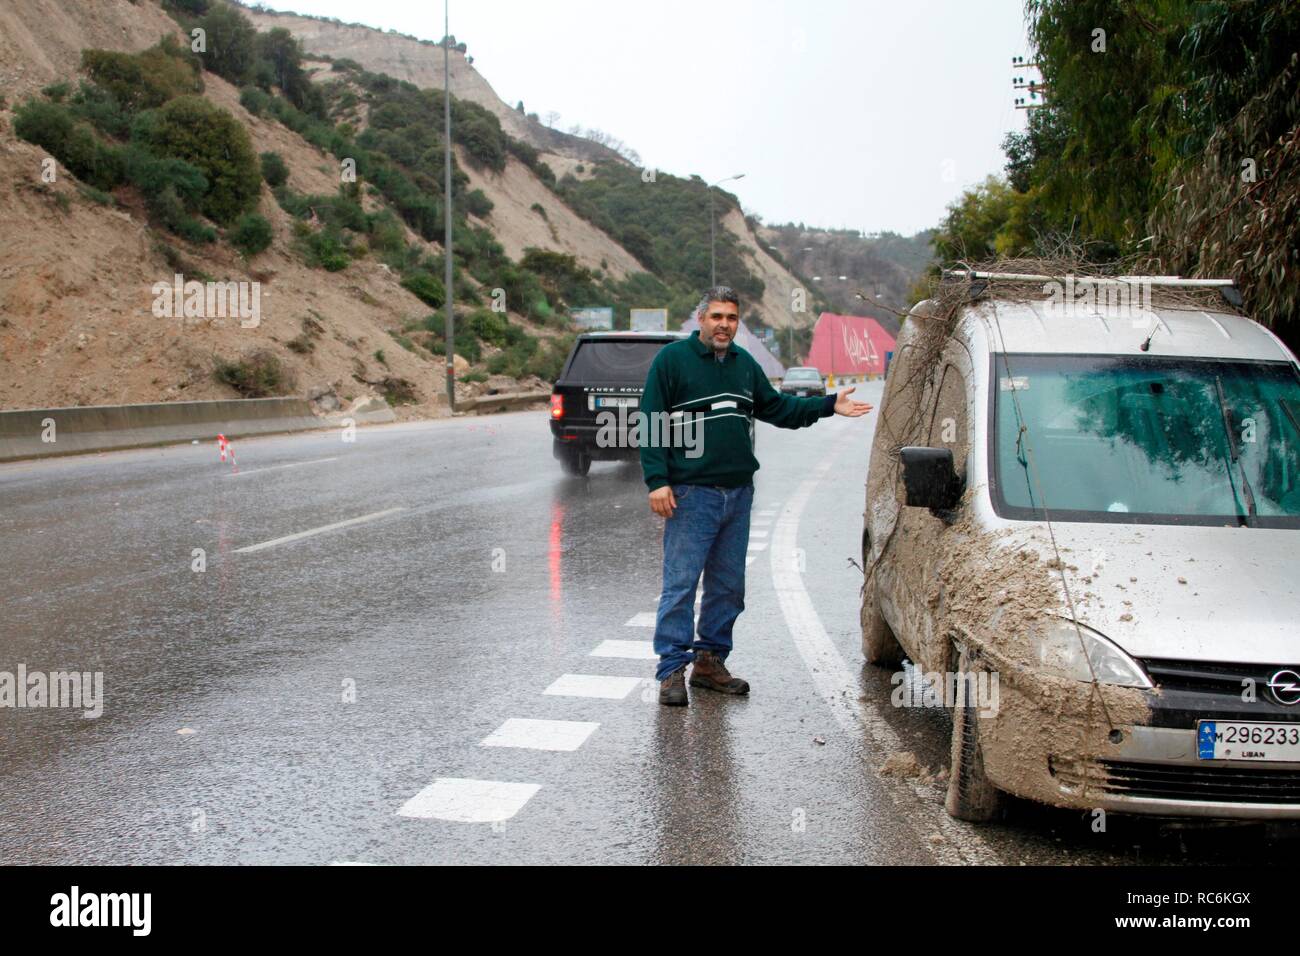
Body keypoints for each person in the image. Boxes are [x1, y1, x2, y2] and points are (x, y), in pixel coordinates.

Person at [639, 286, 874, 706]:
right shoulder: (671, 362)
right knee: (681, 585)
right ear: (700, 319)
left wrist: (825, 405)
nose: (724, 324)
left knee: (728, 587)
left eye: (731, 317)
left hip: (738, 496)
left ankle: (709, 662)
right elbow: (652, 421)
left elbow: (779, 408)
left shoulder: (744, 365)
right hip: (691, 495)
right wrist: (657, 480)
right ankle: (671, 669)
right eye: (716, 316)